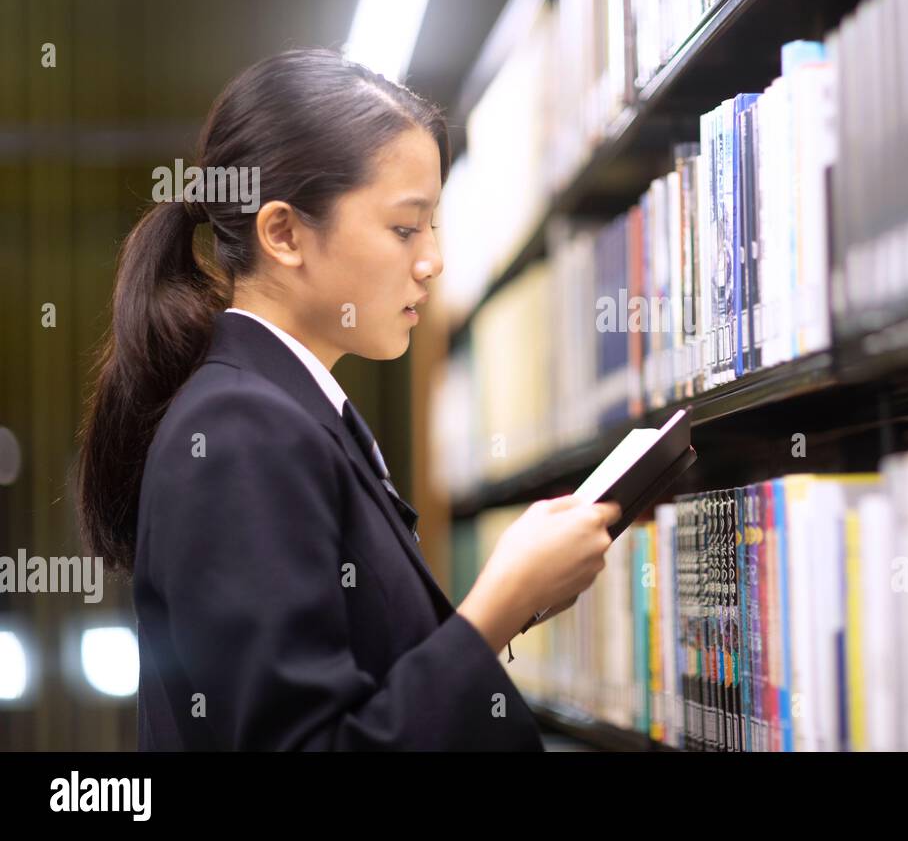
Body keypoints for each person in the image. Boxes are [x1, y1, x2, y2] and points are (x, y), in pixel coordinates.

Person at [75, 48, 619, 750]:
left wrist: (516, 601)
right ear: (284, 234)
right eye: (403, 227)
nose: (433, 260)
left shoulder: (290, 412)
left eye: (433, 225)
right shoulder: (241, 430)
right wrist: (499, 604)